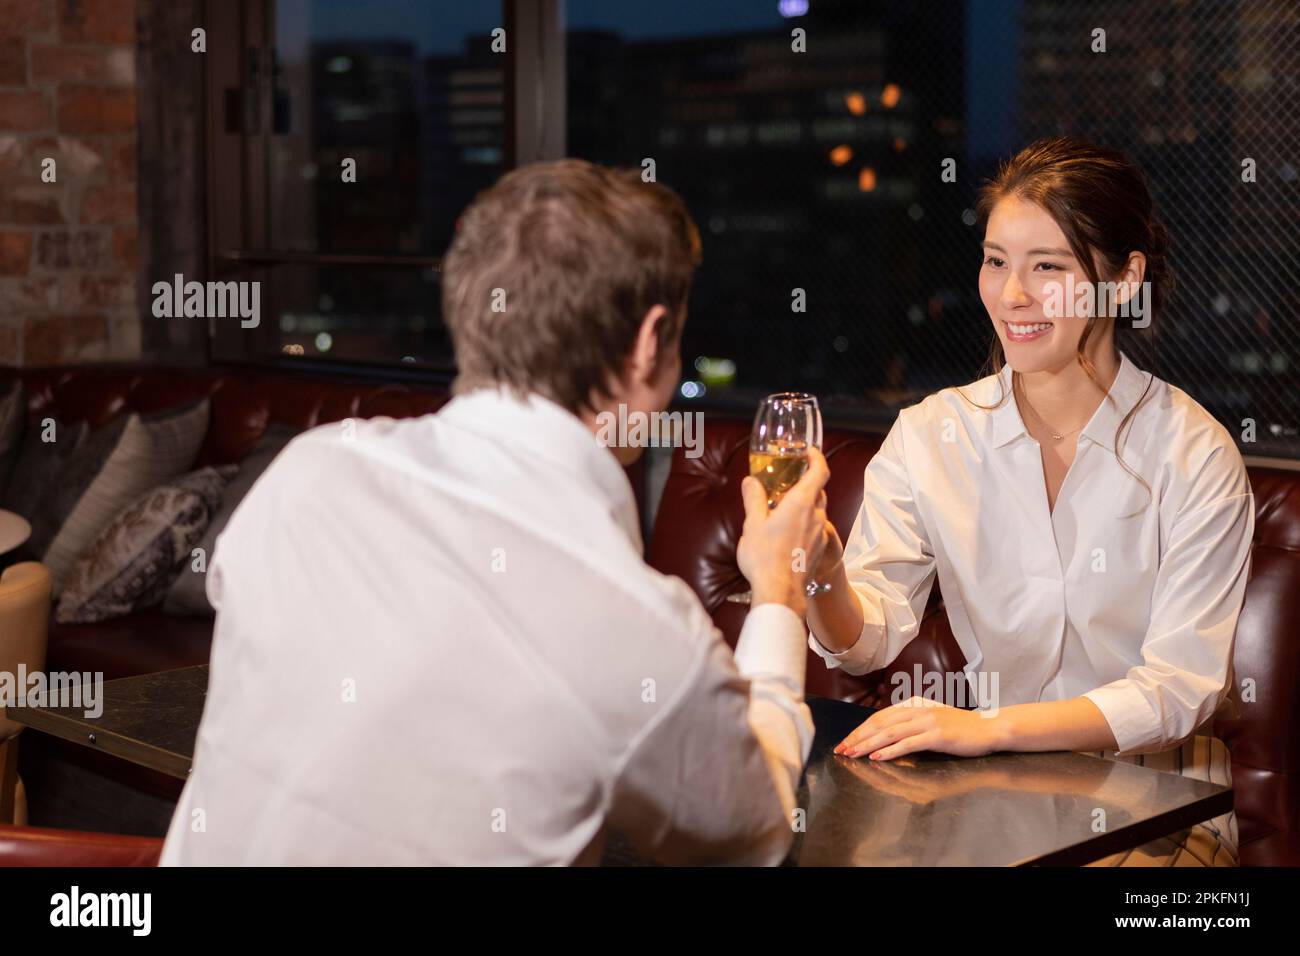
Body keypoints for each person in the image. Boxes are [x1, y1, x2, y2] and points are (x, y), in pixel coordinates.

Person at [160, 160, 830, 866]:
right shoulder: (630, 623)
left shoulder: (305, 472)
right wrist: (779, 593)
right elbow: (751, 834)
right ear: (647, 343)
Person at [806, 138, 1251, 866]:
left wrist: (987, 728)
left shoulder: (1193, 454)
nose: (1012, 294)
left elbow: (1178, 692)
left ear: (1122, 279)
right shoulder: (932, 435)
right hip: (997, 793)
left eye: (1049, 266)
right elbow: (869, 638)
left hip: (1161, 803)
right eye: (996, 260)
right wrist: (821, 570)